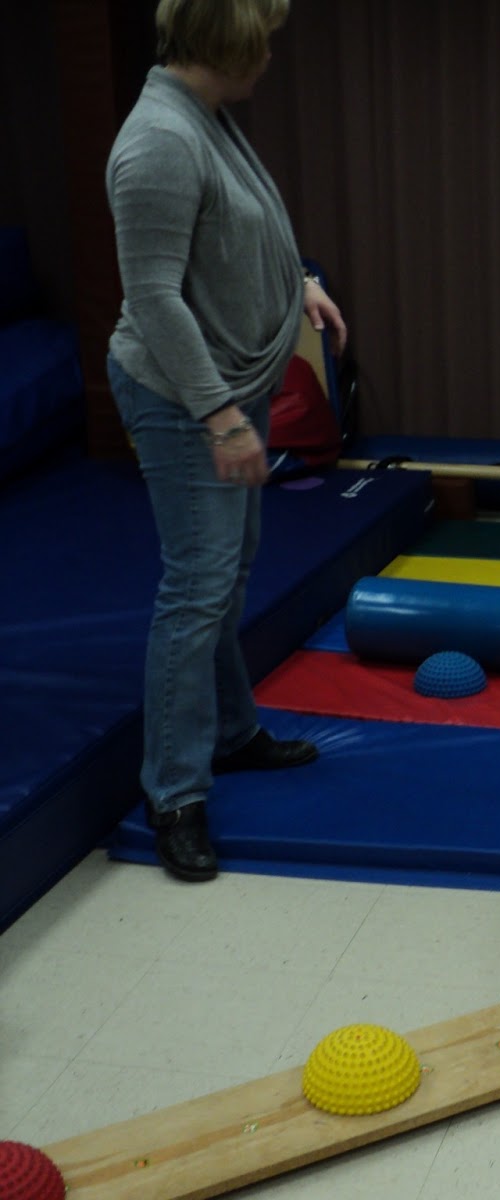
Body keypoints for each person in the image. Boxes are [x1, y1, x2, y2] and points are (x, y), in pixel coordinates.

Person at [106, 0, 345, 882]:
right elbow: (158, 298)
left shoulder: (204, 117)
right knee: (196, 588)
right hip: (181, 397)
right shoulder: (157, 143)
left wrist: (302, 285)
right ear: (230, 45)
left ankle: (235, 734)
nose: (272, 59)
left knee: (228, 570)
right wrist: (222, 417)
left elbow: (247, 228)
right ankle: (175, 795)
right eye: (267, 43)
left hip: (228, 385)